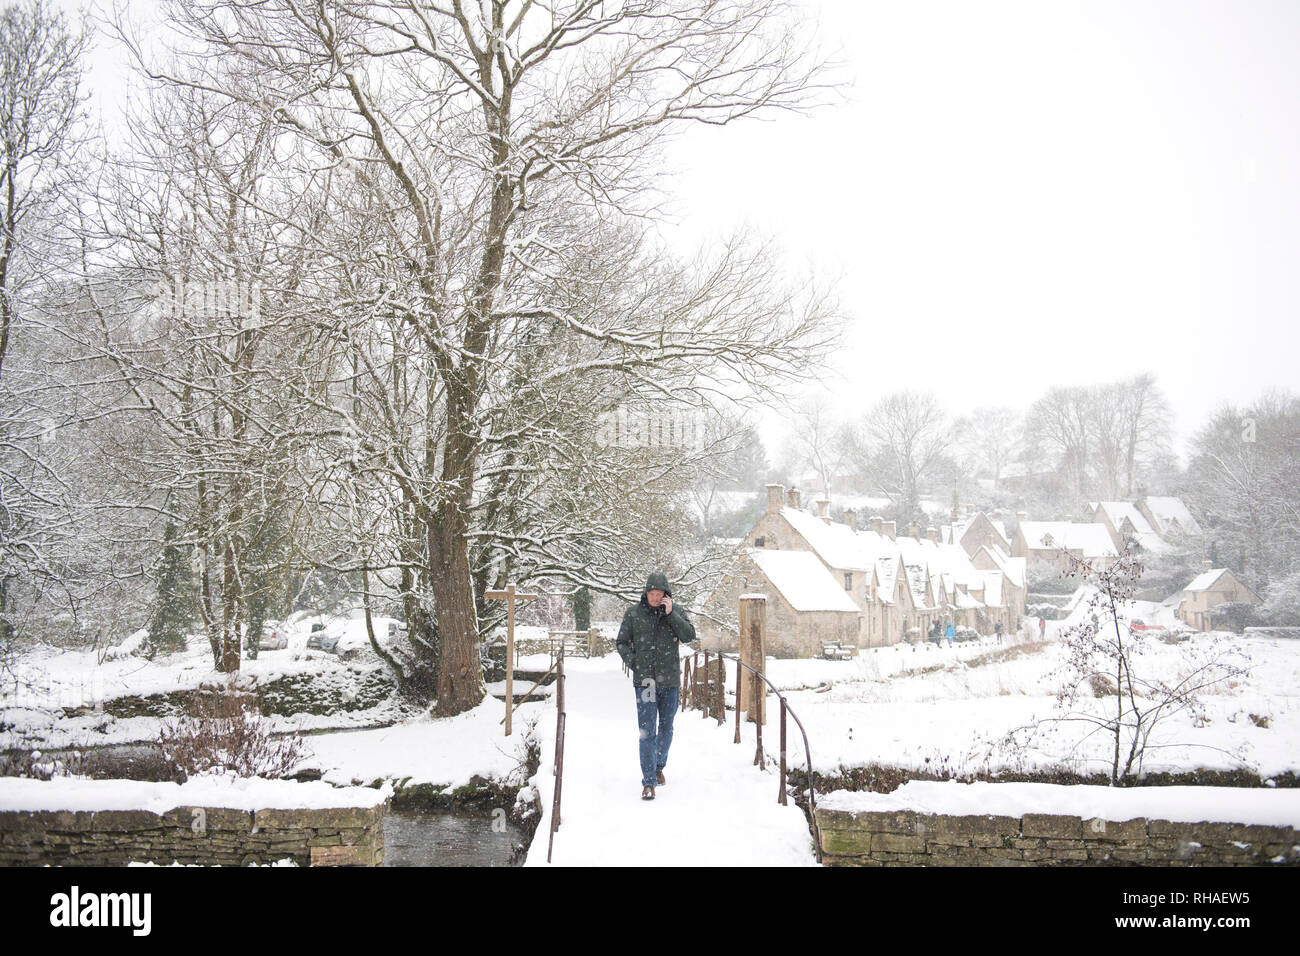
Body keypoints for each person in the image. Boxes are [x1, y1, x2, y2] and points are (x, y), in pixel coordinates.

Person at [616, 571, 697, 800]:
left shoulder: (675, 611)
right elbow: (621, 642)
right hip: (646, 682)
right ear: (646, 593)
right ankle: (649, 780)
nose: (654, 597)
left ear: (666, 594)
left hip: (669, 681)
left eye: (659, 593)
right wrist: (635, 663)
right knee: (647, 732)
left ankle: (659, 765)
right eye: (651, 593)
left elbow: (689, 635)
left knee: (667, 727)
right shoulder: (633, 614)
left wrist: (671, 615)